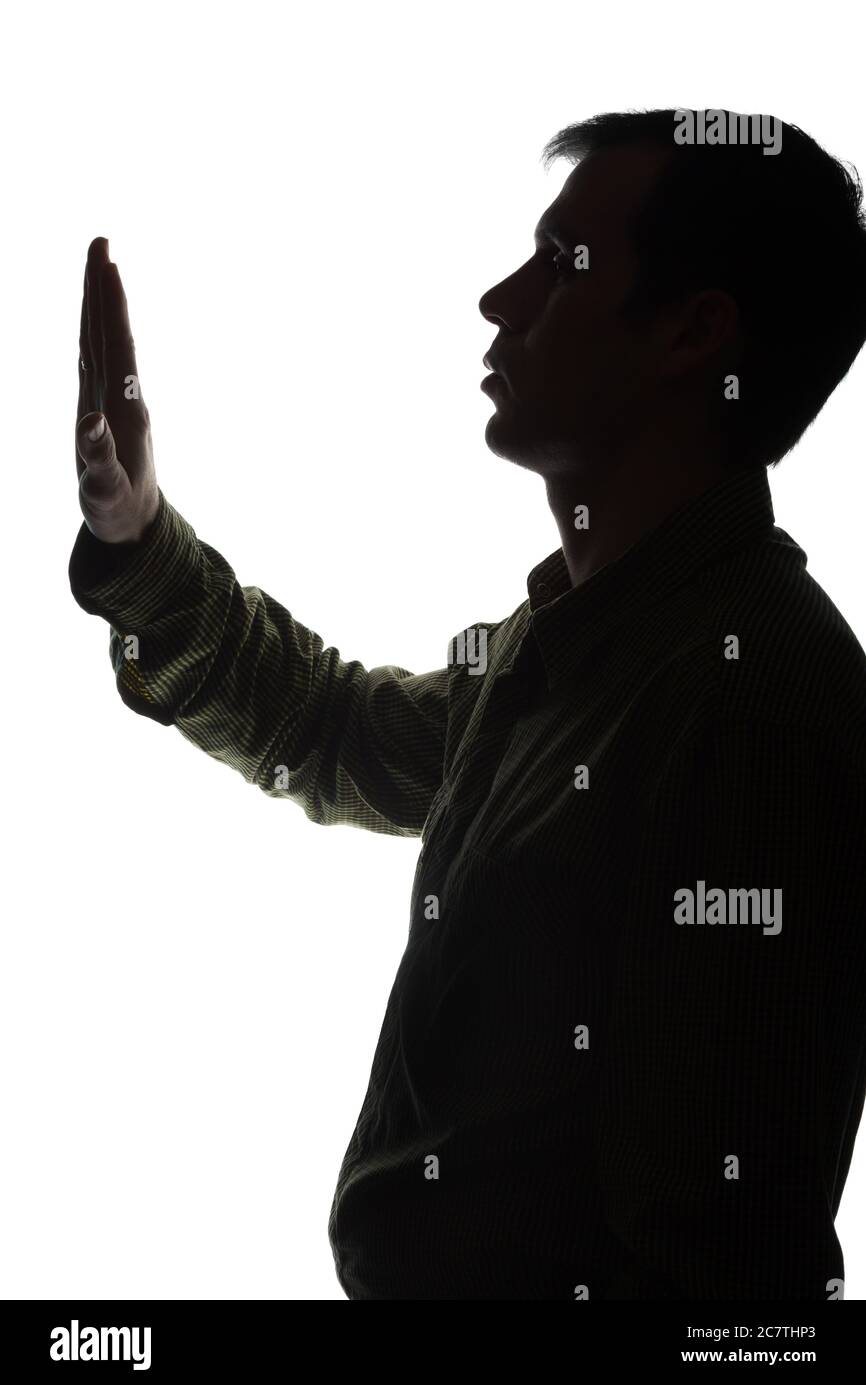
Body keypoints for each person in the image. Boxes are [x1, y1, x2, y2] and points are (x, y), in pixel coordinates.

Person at [69, 108, 866, 1300]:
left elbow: (728, 1273)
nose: (500, 300)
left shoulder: (758, 702)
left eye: (562, 262)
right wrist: (136, 537)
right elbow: (324, 729)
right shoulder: (556, 656)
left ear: (695, 333)